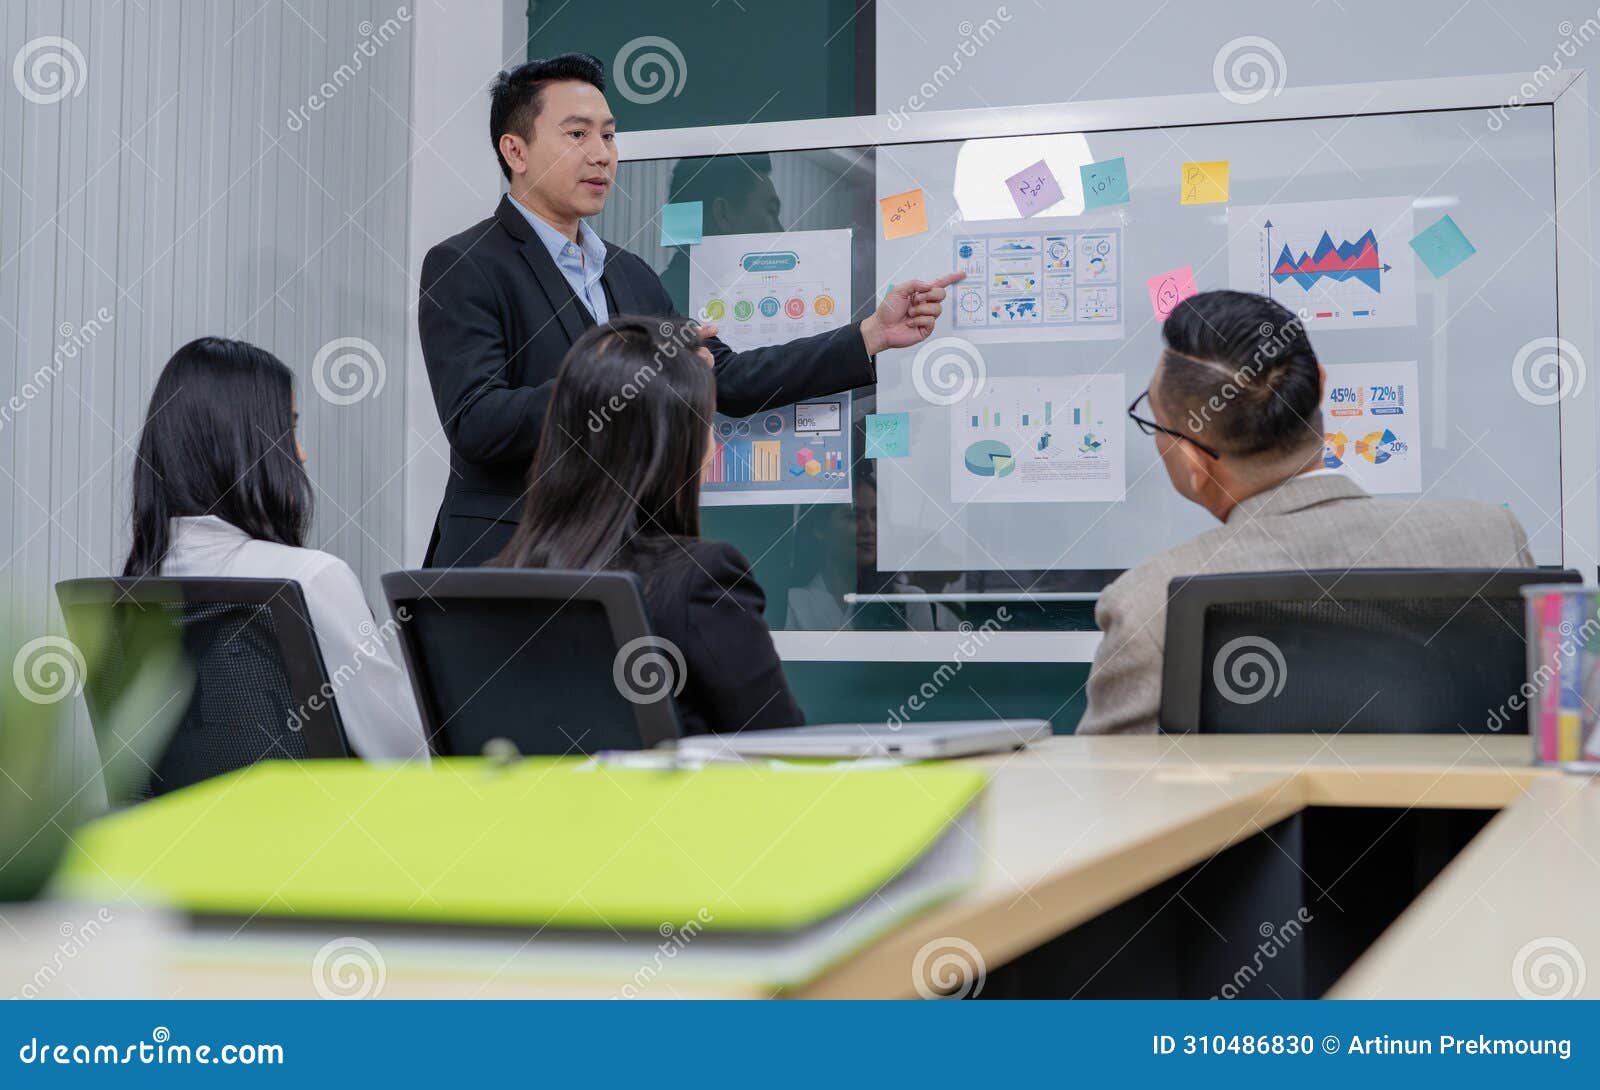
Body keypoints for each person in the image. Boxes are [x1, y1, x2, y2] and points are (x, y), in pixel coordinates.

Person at [418, 52, 962, 567]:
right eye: (577, 134)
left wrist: (868, 334)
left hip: (616, 558)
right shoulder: (464, 264)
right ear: (515, 151)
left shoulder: (629, 274)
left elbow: (730, 379)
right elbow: (478, 424)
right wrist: (625, 380)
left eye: (608, 135)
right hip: (506, 561)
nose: (602, 154)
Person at [1078, 290, 1535, 735]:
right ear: (1321, 384)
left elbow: (1112, 798)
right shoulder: (1492, 539)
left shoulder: (1148, 603)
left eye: (1153, 420)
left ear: (1195, 464)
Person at [491, 315, 802, 736]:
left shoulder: (495, 585)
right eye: (706, 422)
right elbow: (783, 752)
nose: (715, 443)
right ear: (673, 444)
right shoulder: (701, 580)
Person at [124, 337, 428, 761]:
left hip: (179, 827)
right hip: (314, 826)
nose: (301, 454)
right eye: (288, 430)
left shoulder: (133, 588)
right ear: (242, 445)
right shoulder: (310, 578)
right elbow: (406, 757)